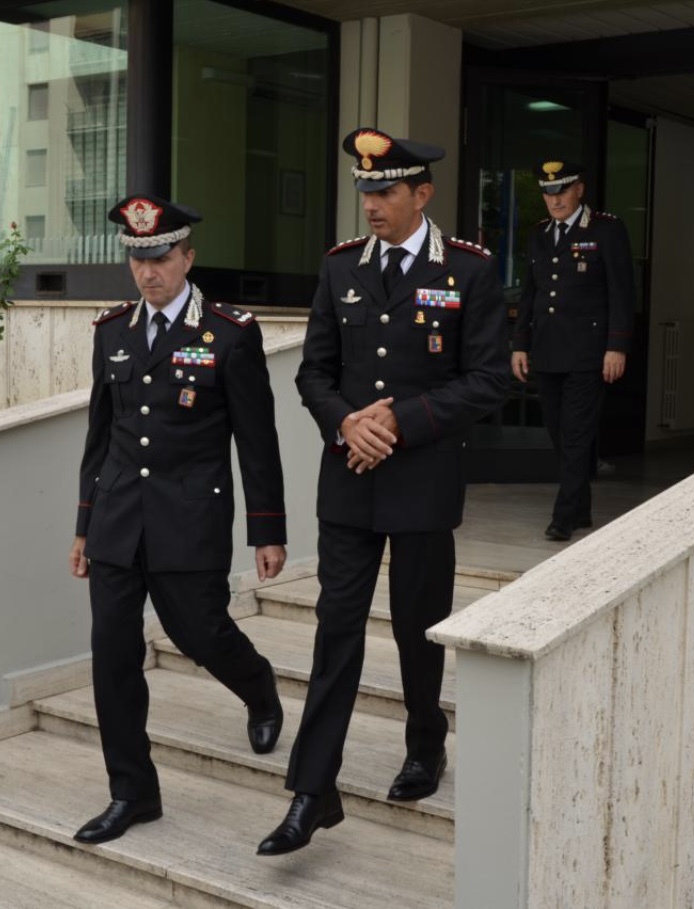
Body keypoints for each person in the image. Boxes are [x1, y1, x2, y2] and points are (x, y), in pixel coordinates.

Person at [256, 128, 510, 856]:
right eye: (364, 190)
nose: (371, 203)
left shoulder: (467, 269)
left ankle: (425, 745)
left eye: (386, 191)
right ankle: (312, 790)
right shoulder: (340, 266)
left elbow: (489, 378)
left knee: (416, 626)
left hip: (423, 480)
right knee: (335, 629)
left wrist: (399, 421)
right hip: (350, 478)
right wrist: (346, 425)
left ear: (421, 194)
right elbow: (314, 372)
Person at [68, 194, 288, 845]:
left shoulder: (229, 332)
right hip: (116, 522)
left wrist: (267, 530)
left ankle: (258, 686)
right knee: (112, 655)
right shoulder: (111, 330)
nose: (148, 272)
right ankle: (132, 792)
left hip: (189, 519)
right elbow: (100, 436)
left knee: (200, 634)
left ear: (187, 258)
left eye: (160, 258)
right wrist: (83, 525)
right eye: (138, 259)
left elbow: (257, 441)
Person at [511, 161, 635, 543]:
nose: (554, 200)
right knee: (558, 433)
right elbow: (530, 293)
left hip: (587, 352)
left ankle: (563, 516)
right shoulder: (539, 233)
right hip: (547, 350)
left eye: (561, 191)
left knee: (577, 434)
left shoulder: (606, 229)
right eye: (547, 193)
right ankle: (580, 508)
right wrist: (520, 344)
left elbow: (621, 292)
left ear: (579, 190)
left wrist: (617, 346)